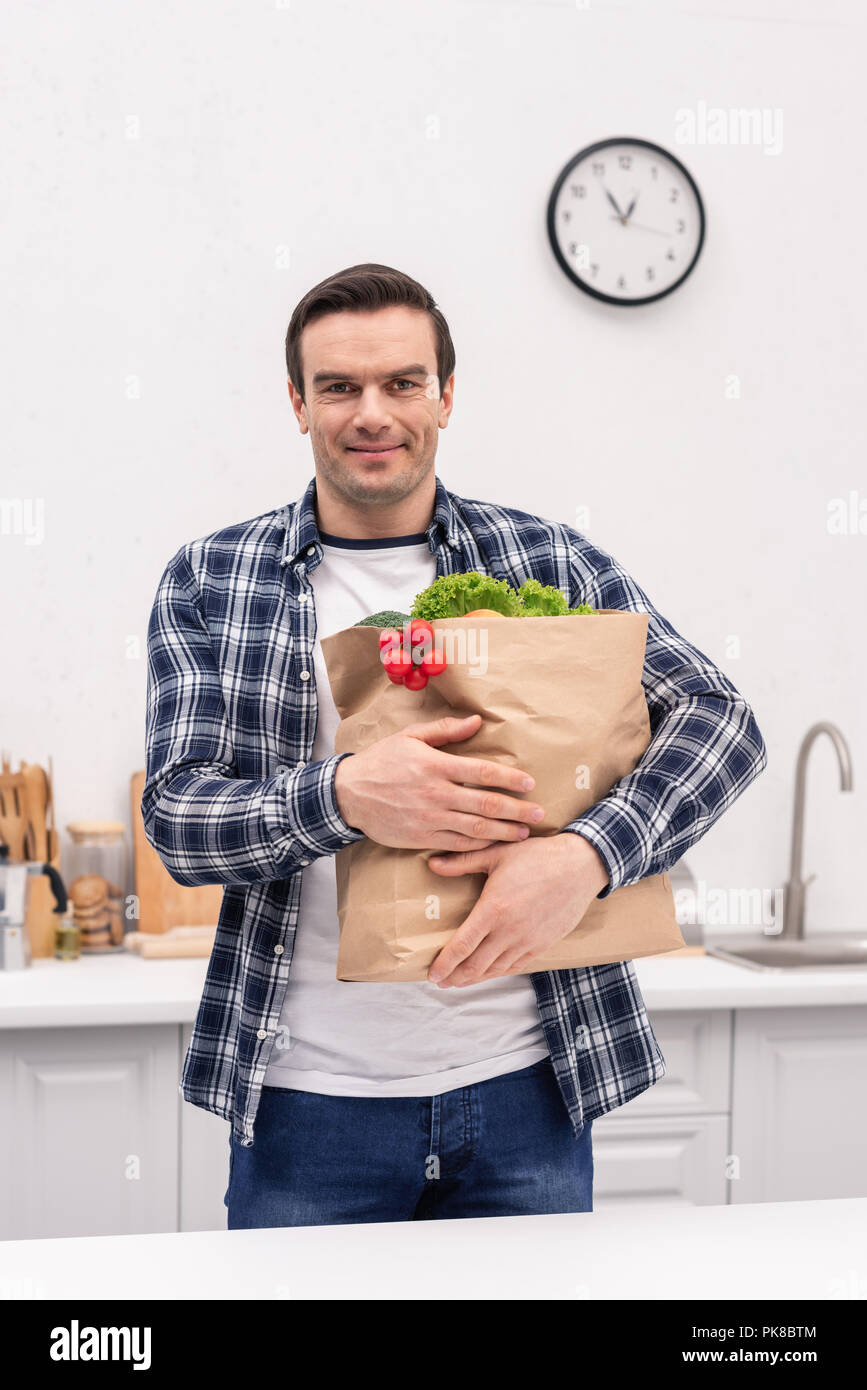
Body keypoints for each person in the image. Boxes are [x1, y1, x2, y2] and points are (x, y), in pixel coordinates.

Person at [142, 262, 767, 1227]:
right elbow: (180, 820)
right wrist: (345, 798)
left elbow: (720, 720)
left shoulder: (546, 557)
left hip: (527, 1091)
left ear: (444, 397)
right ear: (298, 404)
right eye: (340, 387)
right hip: (311, 1105)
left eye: (402, 382)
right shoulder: (213, 578)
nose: (372, 413)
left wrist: (585, 857)